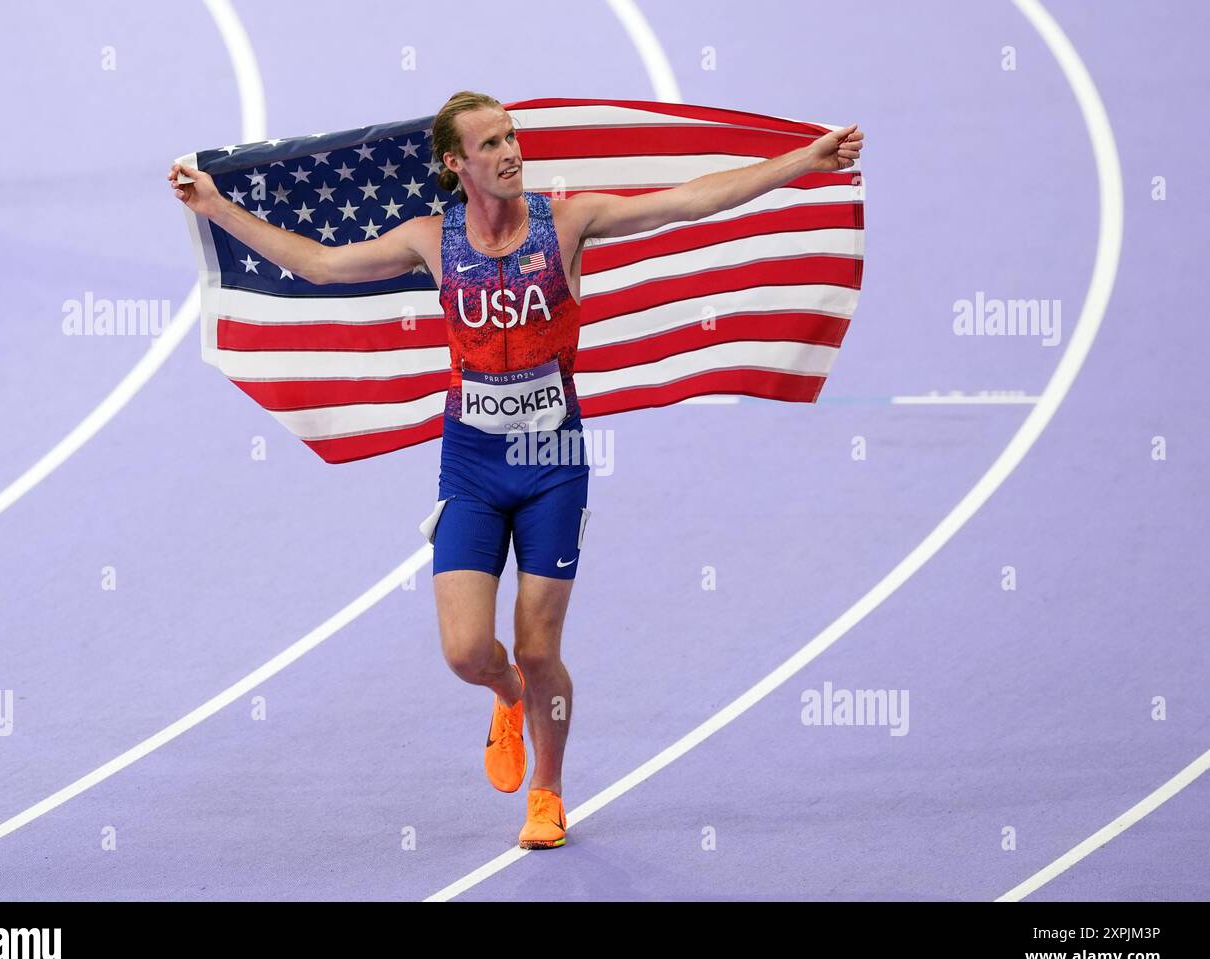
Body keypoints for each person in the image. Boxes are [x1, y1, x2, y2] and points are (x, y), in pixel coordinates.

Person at [169, 91, 863, 850]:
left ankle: (547, 790)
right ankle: (507, 695)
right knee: (470, 651)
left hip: (553, 462)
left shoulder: (566, 222)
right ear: (454, 163)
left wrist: (806, 160)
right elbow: (319, 265)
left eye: (511, 137)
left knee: (539, 645)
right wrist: (214, 207)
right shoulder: (430, 241)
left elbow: (690, 201)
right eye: (490, 143)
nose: (509, 152)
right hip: (471, 460)